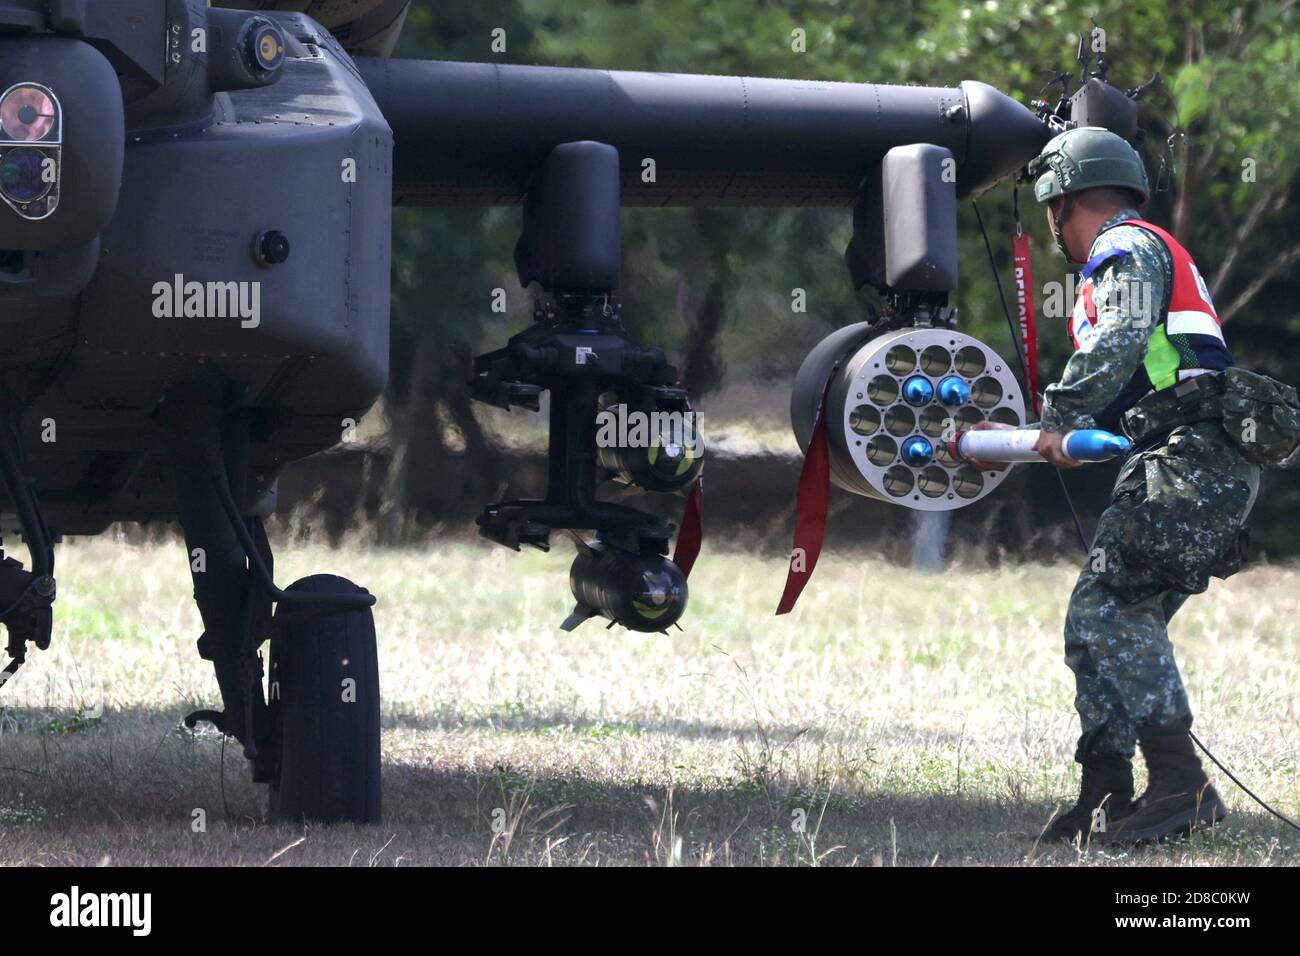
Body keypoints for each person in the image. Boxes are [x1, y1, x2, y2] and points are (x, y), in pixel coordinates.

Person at [972, 127, 1259, 845]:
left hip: (1193, 458)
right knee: (1095, 619)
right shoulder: (1152, 248)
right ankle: (1106, 794)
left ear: (1064, 201)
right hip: (1196, 459)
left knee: (1112, 611)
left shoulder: (1124, 247)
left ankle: (1179, 785)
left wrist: (1056, 418)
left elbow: (1119, 336)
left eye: (1053, 215)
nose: (1054, 233)